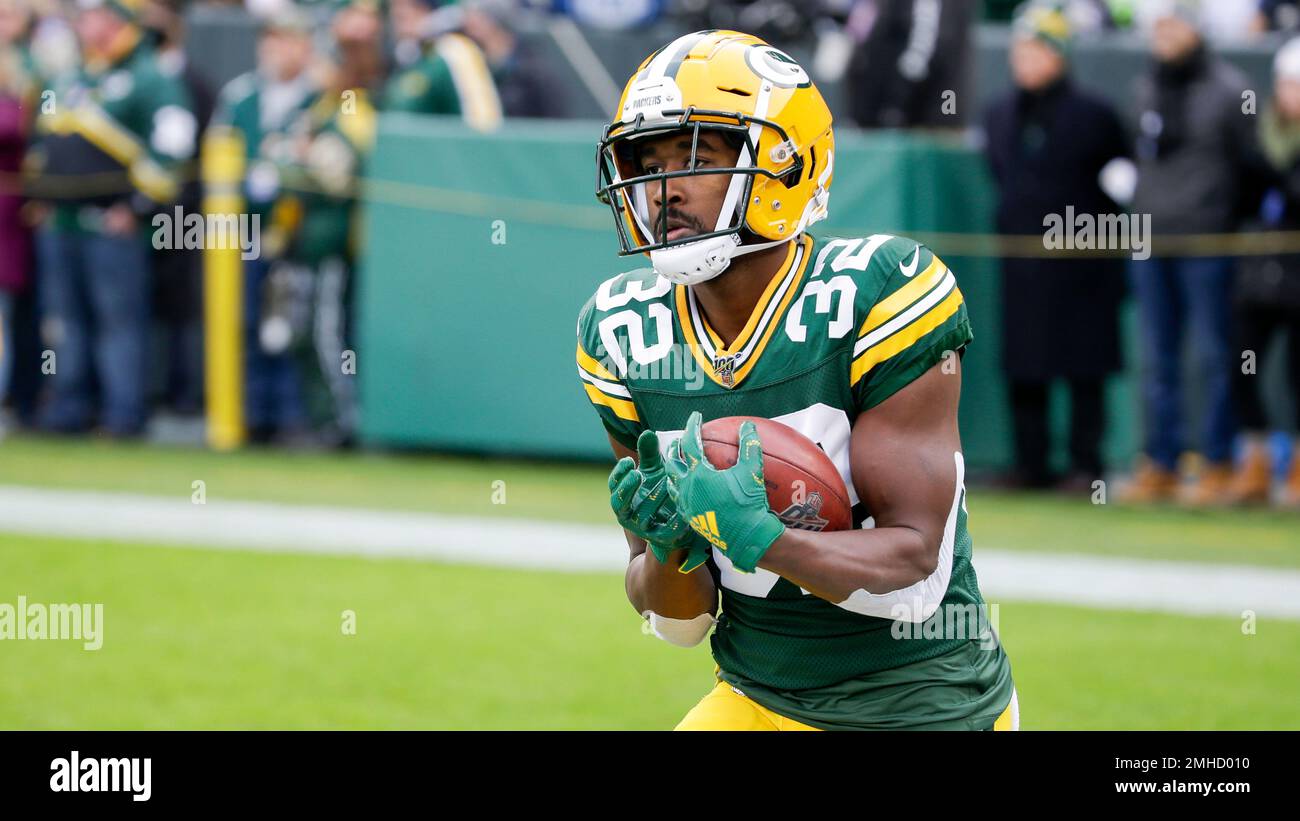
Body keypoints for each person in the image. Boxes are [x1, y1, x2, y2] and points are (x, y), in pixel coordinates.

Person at [579, 30, 1016, 730]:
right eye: (647, 161)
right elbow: (680, 624)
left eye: (696, 156)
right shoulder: (624, 330)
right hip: (756, 694)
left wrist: (762, 538)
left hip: (920, 698)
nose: (664, 188)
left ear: (785, 165)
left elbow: (914, 571)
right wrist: (669, 549)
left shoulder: (878, 294)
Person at [25, 0, 196, 437]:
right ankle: (68, 408)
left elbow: (175, 147)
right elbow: (43, 140)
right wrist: (41, 192)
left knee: (117, 321)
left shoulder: (151, 77)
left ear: (118, 19)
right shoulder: (69, 77)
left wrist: (137, 207)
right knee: (65, 320)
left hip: (111, 222)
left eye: (93, 14)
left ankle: (123, 414)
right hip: (61, 222)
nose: (83, 24)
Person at [1122, 0, 1268, 505]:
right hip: (1151, 240)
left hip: (1207, 243)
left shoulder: (1230, 91)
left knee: (1213, 355)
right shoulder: (1145, 87)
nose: (1164, 37)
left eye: (1173, 26)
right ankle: (1161, 462)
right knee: (1157, 359)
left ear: (1194, 30)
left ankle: (1217, 460)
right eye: (1158, 28)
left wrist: (1222, 219)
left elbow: (1251, 167)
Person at [982, 2, 1129, 490]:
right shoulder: (999, 115)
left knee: (1084, 366)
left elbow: (1120, 185)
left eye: (1037, 49)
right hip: (1022, 267)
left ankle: (1087, 466)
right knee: (1026, 363)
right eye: (1020, 49)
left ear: (1060, 55)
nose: (1025, 59)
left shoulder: (1096, 116)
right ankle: (1032, 465)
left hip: (1081, 268)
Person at [208, 4, 318, 443]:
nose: (276, 50)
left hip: (299, 234)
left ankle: (296, 418)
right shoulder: (240, 95)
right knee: (248, 322)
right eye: (270, 40)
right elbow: (216, 155)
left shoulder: (320, 99)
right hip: (246, 233)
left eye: (287, 40)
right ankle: (253, 415)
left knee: (294, 326)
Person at [1226, 36, 1300, 509]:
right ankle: (1253, 461)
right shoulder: (1260, 135)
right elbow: (1243, 199)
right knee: (1242, 365)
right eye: (1286, 84)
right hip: (1259, 274)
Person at [383, 0, 501, 131]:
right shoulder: (406, 56)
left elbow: (483, 125)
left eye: (414, 5)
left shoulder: (455, 51)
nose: (400, 11)